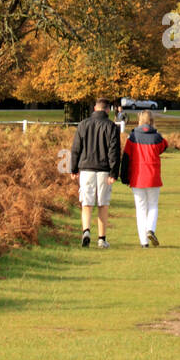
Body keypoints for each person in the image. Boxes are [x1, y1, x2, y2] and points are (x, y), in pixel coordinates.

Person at [69, 98, 122, 248]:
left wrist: (73, 169)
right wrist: (114, 172)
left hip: (86, 169)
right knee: (102, 205)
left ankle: (86, 231)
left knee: (86, 204)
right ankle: (101, 239)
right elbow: (114, 152)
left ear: (94, 108)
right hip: (104, 170)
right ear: (107, 110)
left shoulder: (83, 124)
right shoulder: (111, 126)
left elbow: (76, 149)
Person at [122, 109, 167, 247]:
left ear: (139, 120)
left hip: (138, 176)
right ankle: (151, 229)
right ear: (152, 120)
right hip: (153, 175)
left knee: (140, 209)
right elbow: (164, 146)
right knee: (153, 205)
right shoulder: (157, 137)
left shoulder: (133, 137)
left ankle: (143, 241)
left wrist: (123, 176)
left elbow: (126, 157)